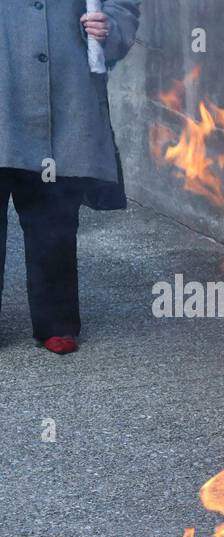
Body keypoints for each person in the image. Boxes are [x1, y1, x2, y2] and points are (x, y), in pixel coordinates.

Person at [0, 1, 141, 354]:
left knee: (53, 212)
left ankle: (56, 321)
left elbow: (122, 5)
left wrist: (110, 27)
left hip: (65, 85)